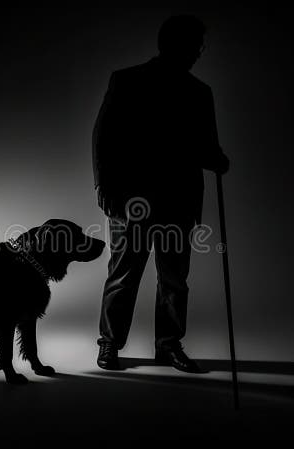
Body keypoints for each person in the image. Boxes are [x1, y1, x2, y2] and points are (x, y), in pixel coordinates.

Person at [92, 15, 229, 372]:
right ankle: (110, 342)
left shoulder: (200, 92)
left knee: (173, 279)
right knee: (124, 273)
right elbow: (103, 136)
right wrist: (103, 185)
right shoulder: (127, 80)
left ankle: (167, 345)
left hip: (178, 199)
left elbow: (206, 147)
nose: (198, 52)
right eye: (194, 45)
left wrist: (217, 159)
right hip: (131, 199)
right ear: (173, 44)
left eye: (199, 46)